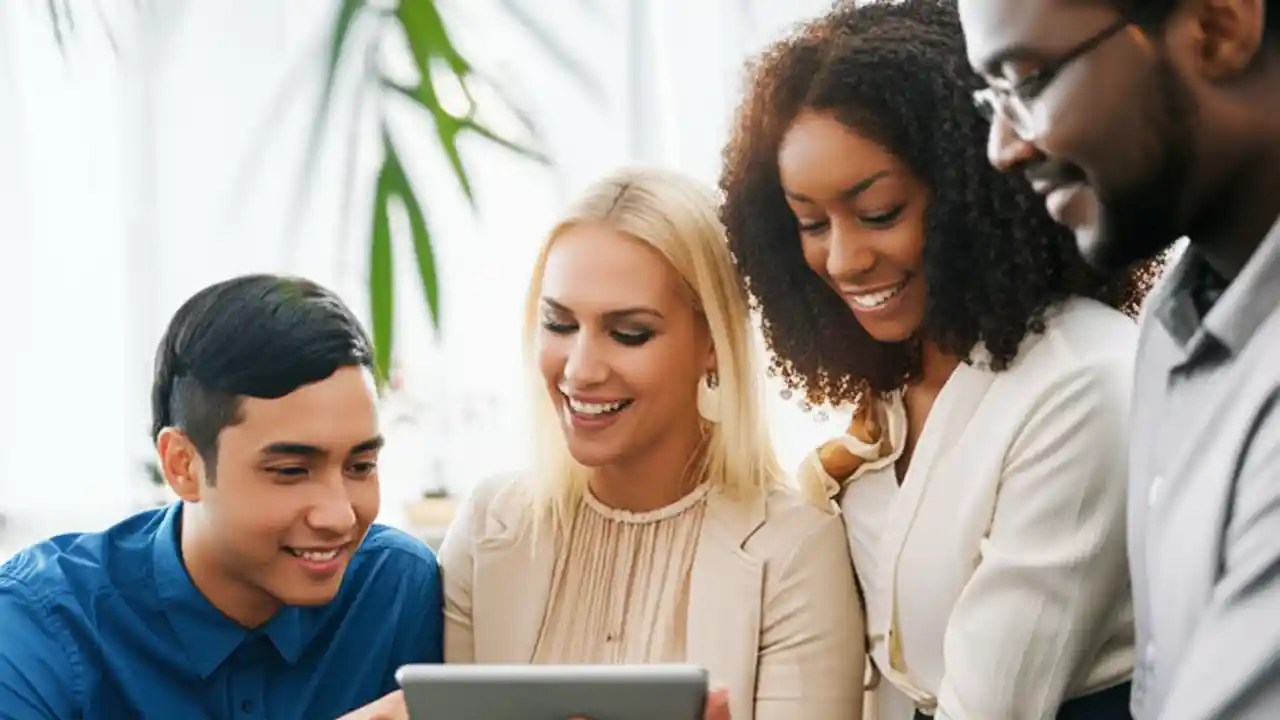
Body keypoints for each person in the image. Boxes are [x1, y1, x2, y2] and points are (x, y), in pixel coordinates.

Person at [719, 2, 1162, 718]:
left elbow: (993, 702)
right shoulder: (893, 390)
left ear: (971, 192)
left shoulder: (1081, 385)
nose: (843, 258)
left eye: (880, 211)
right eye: (809, 222)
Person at [438, 166, 865, 720]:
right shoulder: (489, 527)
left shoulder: (795, 549)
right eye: (560, 324)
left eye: (629, 333)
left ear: (712, 343)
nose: (581, 370)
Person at [958, 0, 1280, 717]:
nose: (1003, 147)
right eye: (994, 98)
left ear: (1219, 26)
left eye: (1030, 82)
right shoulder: (1176, 322)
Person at [0, 274, 443, 719]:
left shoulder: (393, 589)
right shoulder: (39, 622)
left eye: (360, 466)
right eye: (291, 471)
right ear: (182, 465)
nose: (339, 516)